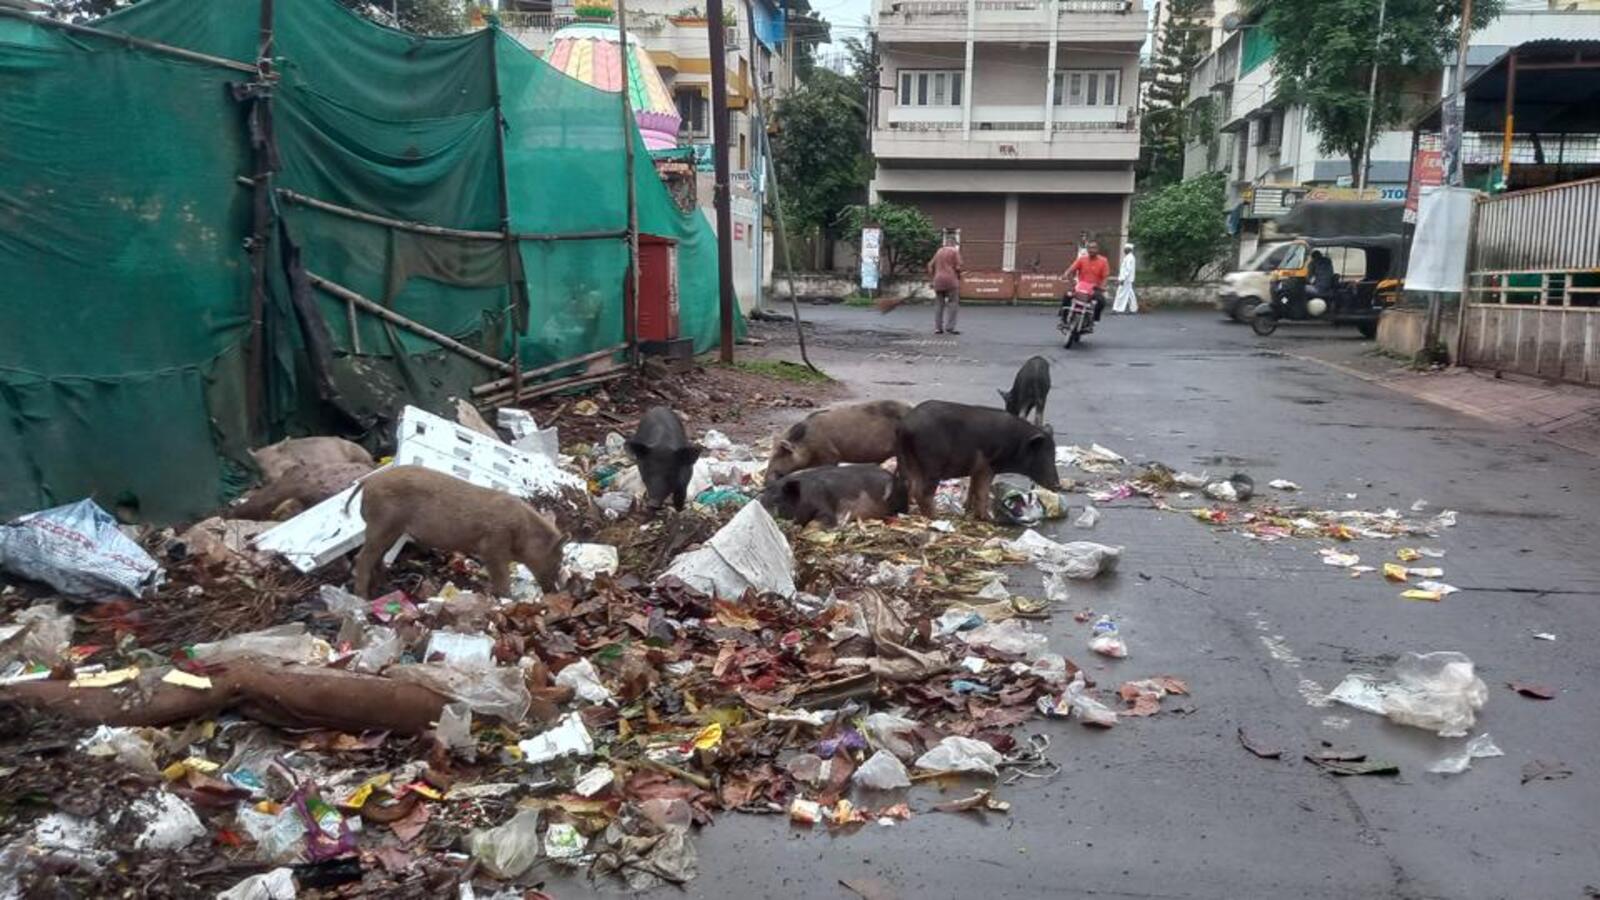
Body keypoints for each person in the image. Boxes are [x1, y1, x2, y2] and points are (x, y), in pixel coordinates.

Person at [1064, 240, 1110, 322]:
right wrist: (1071, 282)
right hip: (1081, 287)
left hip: (1094, 289)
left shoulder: (1103, 261)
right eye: (1090, 248)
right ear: (1087, 249)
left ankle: (1094, 319)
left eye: (1094, 248)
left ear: (1098, 249)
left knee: (1101, 301)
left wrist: (1102, 287)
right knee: (1067, 295)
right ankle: (1064, 318)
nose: (1092, 250)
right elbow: (1070, 271)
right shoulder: (1082, 259)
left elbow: (1105, 277)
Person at [927, 230, 963, 335]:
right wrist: (959, 276)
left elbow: (929, 265)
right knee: (953, 303)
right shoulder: (954, 251)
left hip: (938, 280)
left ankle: (938, 328)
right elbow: (958, 267)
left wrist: (932, 278)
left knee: (939, 304)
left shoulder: (939, 251)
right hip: (951, 280)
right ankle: (950, 327)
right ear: (954, 243)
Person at [1112, 242, 1138, 314]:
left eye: (1125, 249)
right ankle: (1133, 308)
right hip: (1127, 279)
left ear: (1129, 249)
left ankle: (1117, 309)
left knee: (1120, 293)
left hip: (1126, 279)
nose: (1124, 250)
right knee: (1130, 294)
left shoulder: (1129, 258)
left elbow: (1127, 270)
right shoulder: (1129, 257)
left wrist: (1122, 279)